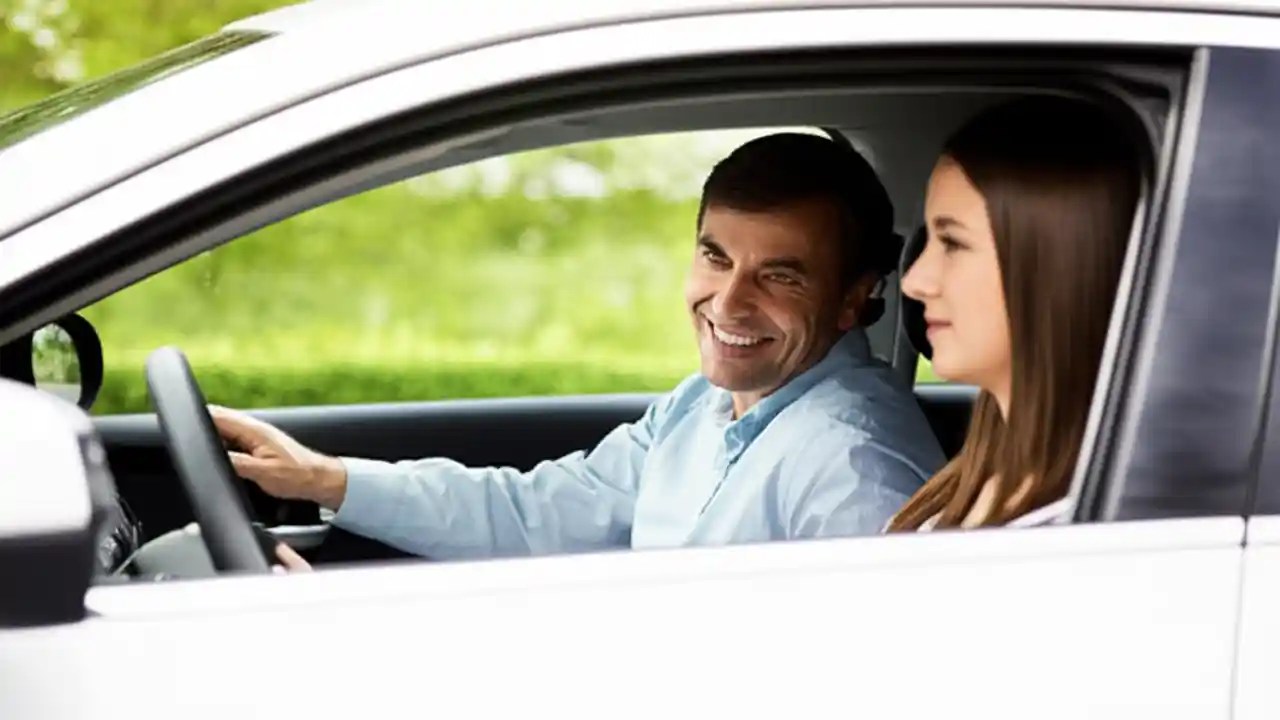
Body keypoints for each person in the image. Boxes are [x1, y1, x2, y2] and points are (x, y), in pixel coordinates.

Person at [213, 133, 945, 562]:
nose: (727, 303)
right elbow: (537, 513)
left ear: (858, 296)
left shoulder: (855, 466)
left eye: (779, 276)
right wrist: (325, 479)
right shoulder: (703, 406)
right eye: (715, 258)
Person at [887, 96, 1143, 532]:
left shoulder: (1084, 529)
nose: (913, 281)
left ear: (1057, 271)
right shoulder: (971, 481)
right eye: (928, 240)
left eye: (953, 243)